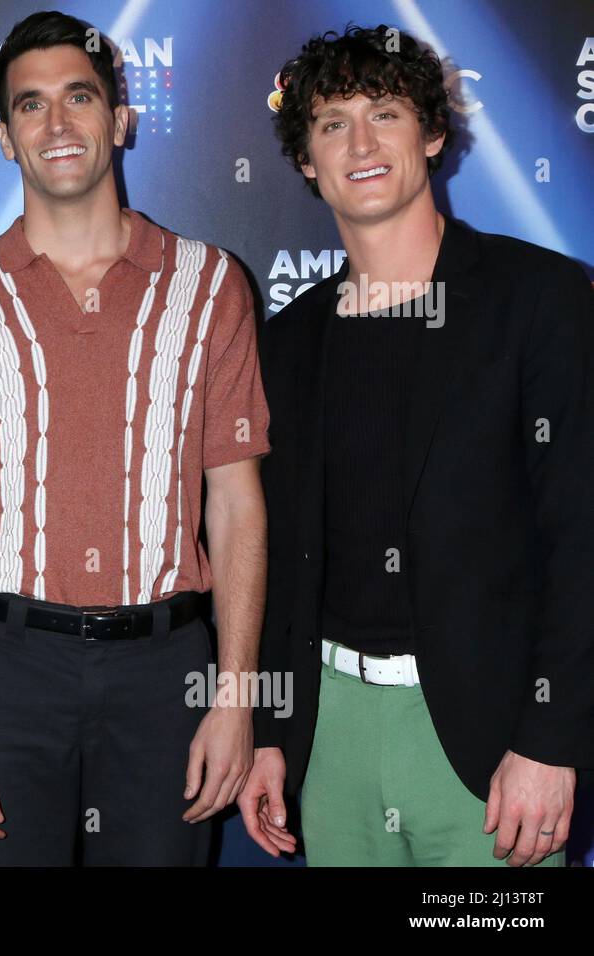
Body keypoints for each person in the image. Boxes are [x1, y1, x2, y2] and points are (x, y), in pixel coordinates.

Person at [0, 10, 270, 866]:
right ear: (2, 136)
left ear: (121, 119)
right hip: (2, 671)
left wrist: (235, 696)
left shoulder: (212, 287)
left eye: (79, 98)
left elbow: (237, 507)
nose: (56, 124)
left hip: (167, 669)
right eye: (30, 105)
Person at [239, 24, 594, 866]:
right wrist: (268, 733)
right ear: (305, 159)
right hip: (333, 744)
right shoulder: (287, 343)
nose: (360, 143)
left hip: (491, 746)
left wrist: (552, 740)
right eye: (331, 123)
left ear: (431, 134)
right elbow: (282, 562)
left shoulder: (539, 298)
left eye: (386, 113)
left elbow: (583, 534)